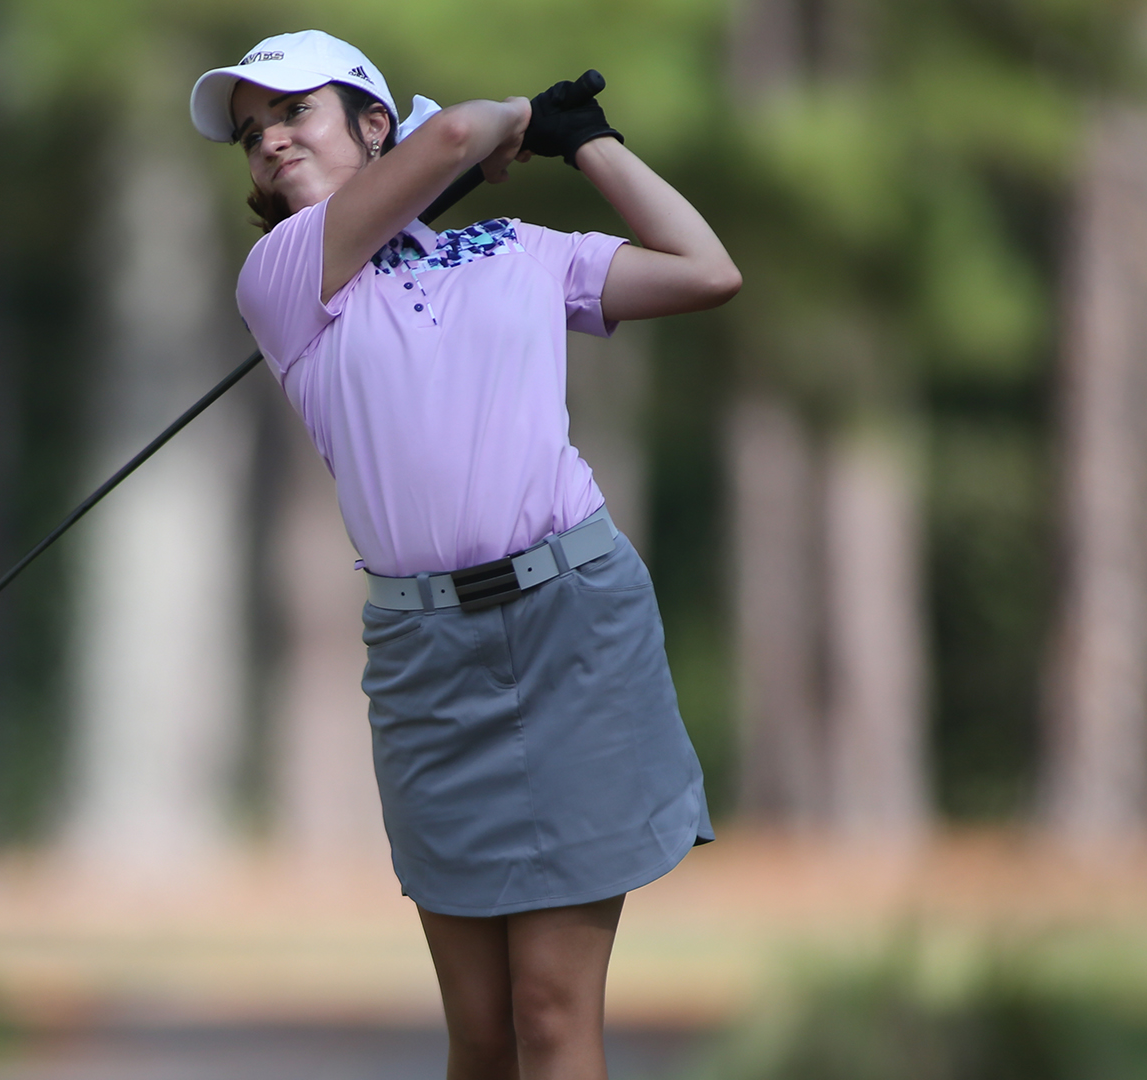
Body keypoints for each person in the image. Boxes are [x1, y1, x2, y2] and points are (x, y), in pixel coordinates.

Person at [191, 30, 740, 1080]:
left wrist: (586, 142)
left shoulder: (517, 253)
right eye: (250, 135)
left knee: (548, 1014)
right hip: (428, 657)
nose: (266, 143)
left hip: (575, 620)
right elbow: (452, 132)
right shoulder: (286, 278)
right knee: (482, 1033)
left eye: (293, 113)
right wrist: (507, 123)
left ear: (370, 123)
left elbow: (706, 270)